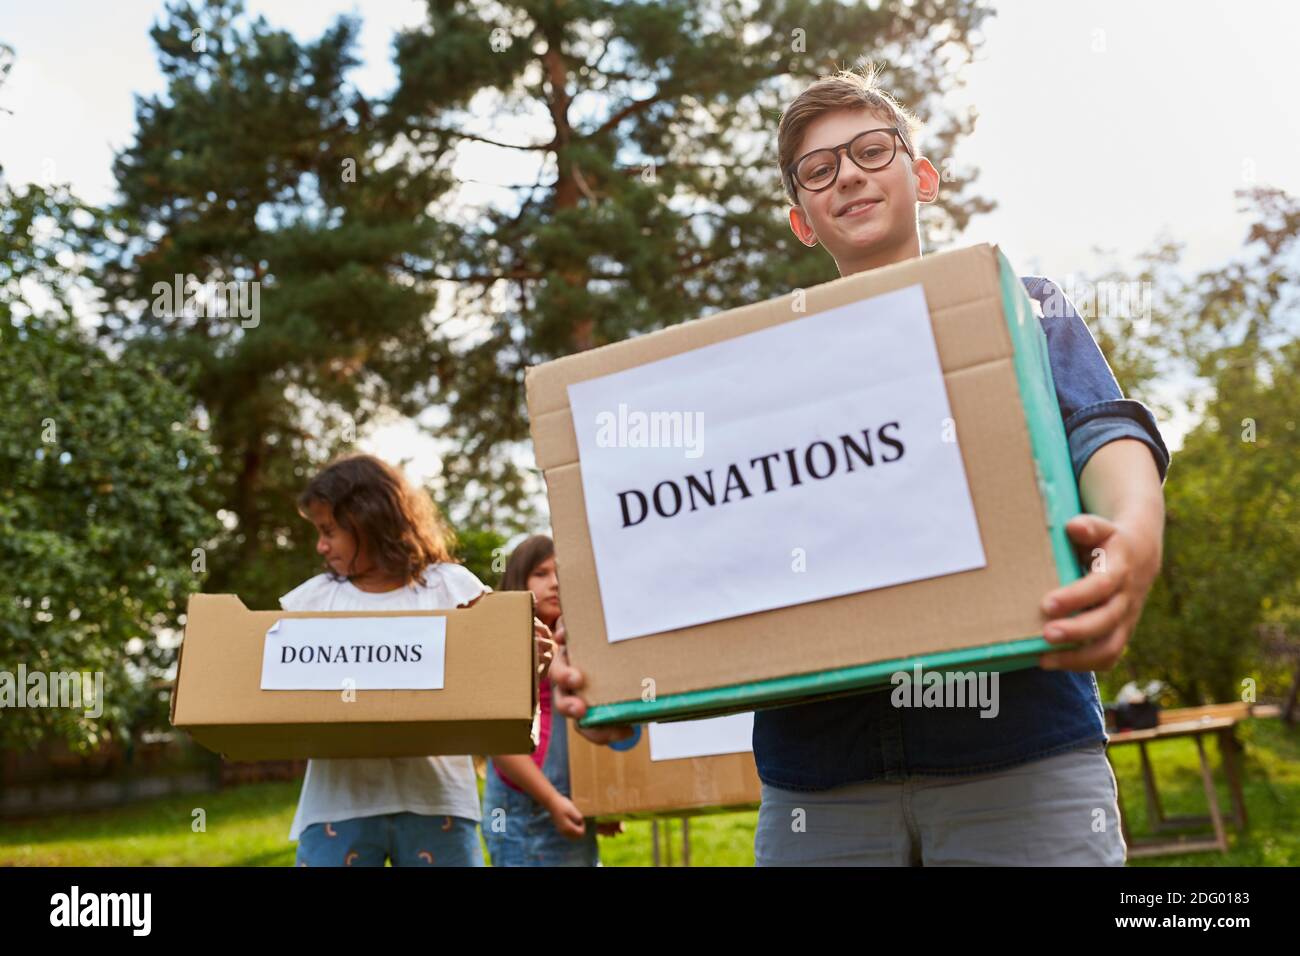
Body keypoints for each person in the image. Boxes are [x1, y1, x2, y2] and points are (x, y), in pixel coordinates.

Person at [550, 65, 1169, 866]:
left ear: (923, 177)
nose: (847, 174)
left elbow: (1102, 433)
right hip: (819, 788)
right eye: (818, 170)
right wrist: (609, 671)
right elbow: (692, 542)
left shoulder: (1027, 306)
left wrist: (1134, 533)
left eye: (871, 151)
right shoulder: (749, 377)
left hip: (1020, 754)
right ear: (802, 221)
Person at [281, 453, 554, 866]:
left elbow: (502, 668)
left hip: (437, 800)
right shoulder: (313, 601)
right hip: (338, 804)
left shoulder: (451, 589)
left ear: (367, 519)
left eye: (328, 531)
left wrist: (530, 659)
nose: (321, 546)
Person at [484, 535, 621, 865]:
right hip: (526, 811)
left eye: (561, 573)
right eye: (541, 573)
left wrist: (596, 800)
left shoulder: (578, 644)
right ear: (519, 580)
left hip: (568, 805)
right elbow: (499, 742)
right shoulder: (504, 642)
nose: (555, 583)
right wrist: (551, 800)